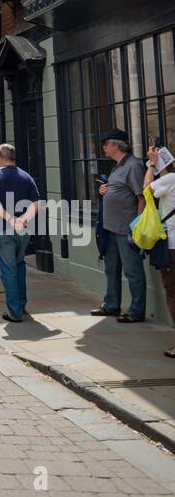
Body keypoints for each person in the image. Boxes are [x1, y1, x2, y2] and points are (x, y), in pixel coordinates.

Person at [91, 129, 146, 323]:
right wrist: (102, 189)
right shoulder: (117, 166)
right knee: (111, 269)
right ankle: (111, 305)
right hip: (111, 228)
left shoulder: (133, 166)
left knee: (133, 271)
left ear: (116, 145)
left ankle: (136, 311)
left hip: (126, 229)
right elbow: (117, 190)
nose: (104, 147)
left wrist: (137, 226)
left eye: (106, 144)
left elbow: (142, 198)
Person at [0, 143, 40, 323]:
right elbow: (36, 204)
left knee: (8, 270)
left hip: (3, 229)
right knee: (19, 264)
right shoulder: (27, 177)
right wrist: (22, 220)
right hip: (24, 229)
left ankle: (14, 312)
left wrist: (10, 219)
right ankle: (21, 304)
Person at [143, 144, 175, 358]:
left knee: (173, 293)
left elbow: (147, 189)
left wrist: (153, 164)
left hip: (173, 246)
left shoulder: (171, 181)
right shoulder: (170, 180)